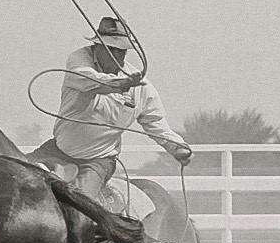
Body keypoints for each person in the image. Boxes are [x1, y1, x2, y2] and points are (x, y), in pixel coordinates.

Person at [52, 15, 191, 201]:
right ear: (97, 47)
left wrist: (176, 147)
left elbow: (155, 121)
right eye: (111, 49)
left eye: (121, 51)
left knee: (80, 203)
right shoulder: (79, 60)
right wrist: (121, 83)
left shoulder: (142, 88)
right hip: (56, 151)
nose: (116, 56)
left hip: (97, 161)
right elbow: (89, 80)